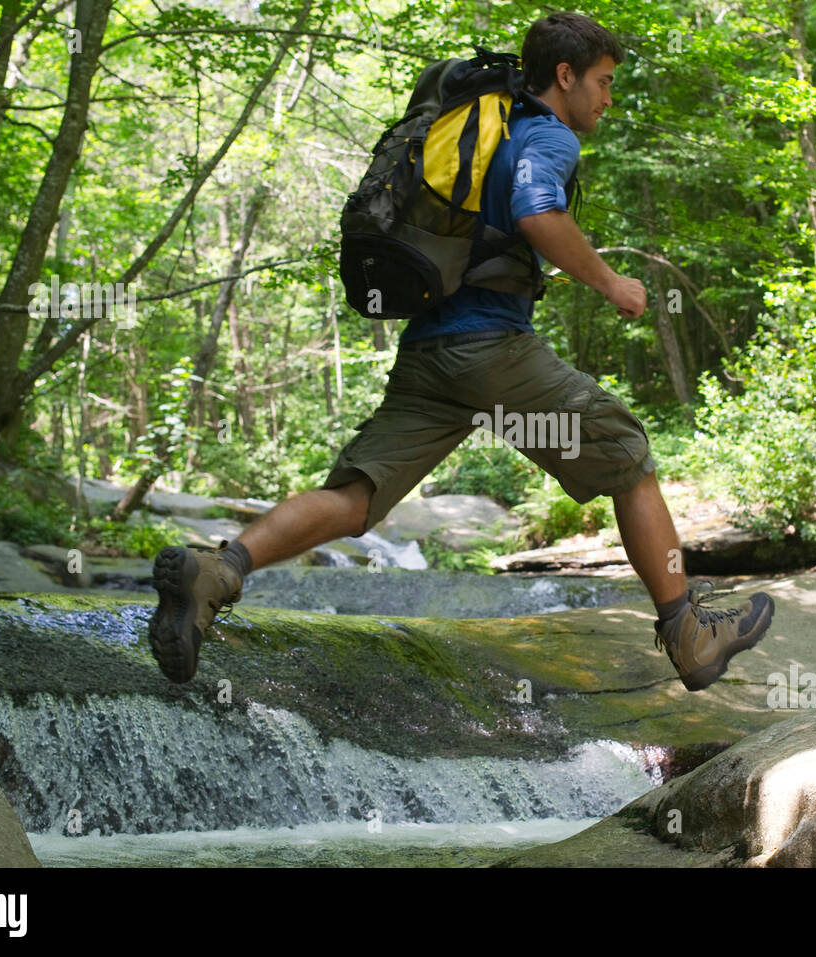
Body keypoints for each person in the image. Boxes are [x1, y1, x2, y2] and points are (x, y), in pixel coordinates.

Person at [147, 12, 774, 693]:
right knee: (627, 455)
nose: (607, 98)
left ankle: (218, 570)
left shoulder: (486, 128)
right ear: (564, 77)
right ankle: (688, 629)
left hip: (428, 353)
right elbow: (539, 212)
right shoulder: (545, 135)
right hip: (489, 351)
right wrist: (611, 282)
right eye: (602, 82)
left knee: (356, 498)